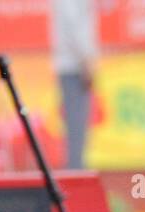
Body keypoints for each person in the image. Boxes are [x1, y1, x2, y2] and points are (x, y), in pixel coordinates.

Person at [50, 0, 98, 170]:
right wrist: (86, 59)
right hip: (73, 65)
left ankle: (76, 169)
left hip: (72, 64)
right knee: (76, 123)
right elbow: (74, 27)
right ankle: (76, 172)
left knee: (77, 123)